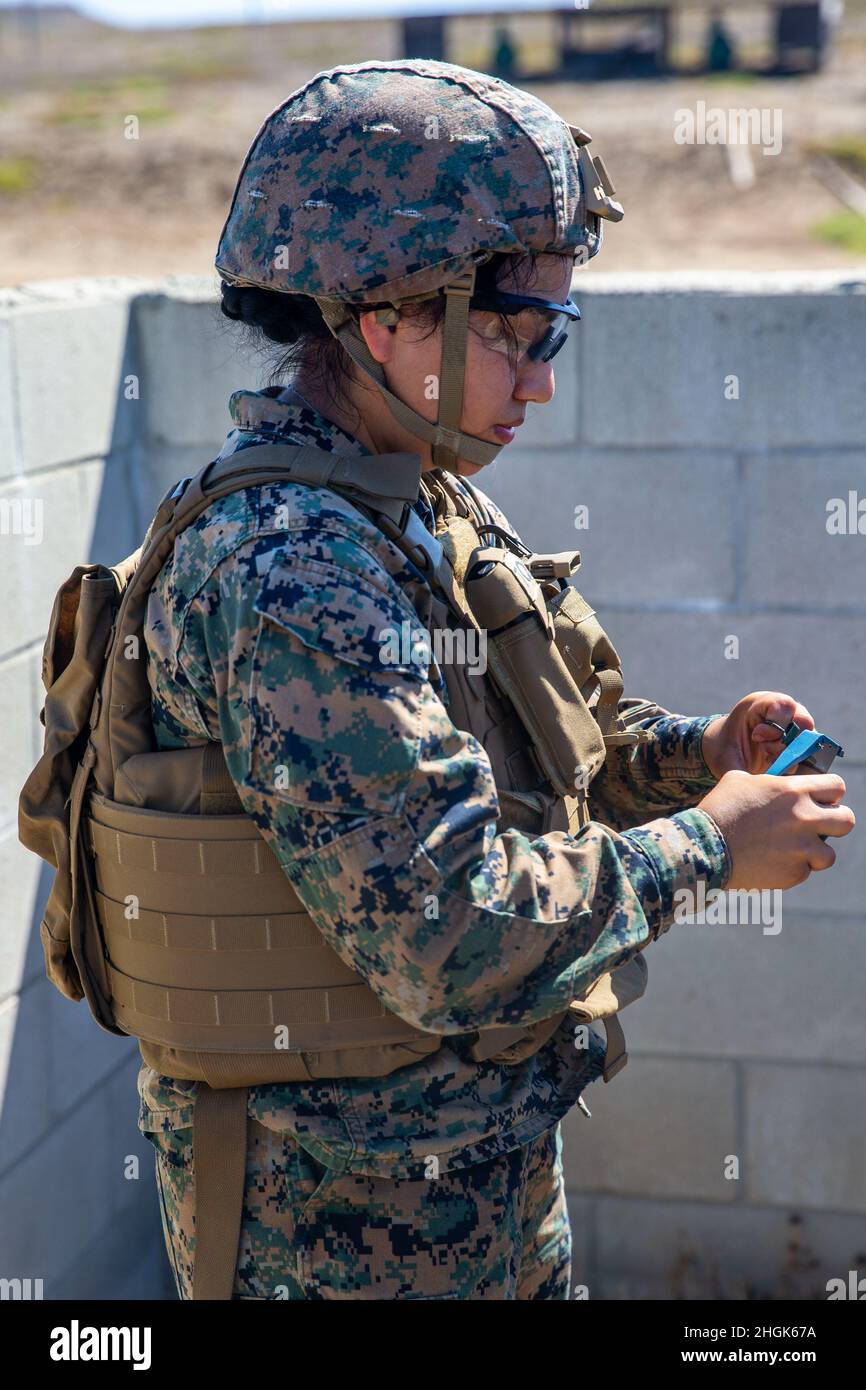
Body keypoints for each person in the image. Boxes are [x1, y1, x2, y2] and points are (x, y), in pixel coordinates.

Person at [134, 58, 854, 1300]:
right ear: (385, 319)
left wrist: (698, 755)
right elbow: (448, 931)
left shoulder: (419, 500)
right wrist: (708, 846)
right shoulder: (291, 574)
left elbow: (542, 755)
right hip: (333, 1245)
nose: (540, 378)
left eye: (550, 336)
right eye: (516, 333)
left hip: (487, 1206)